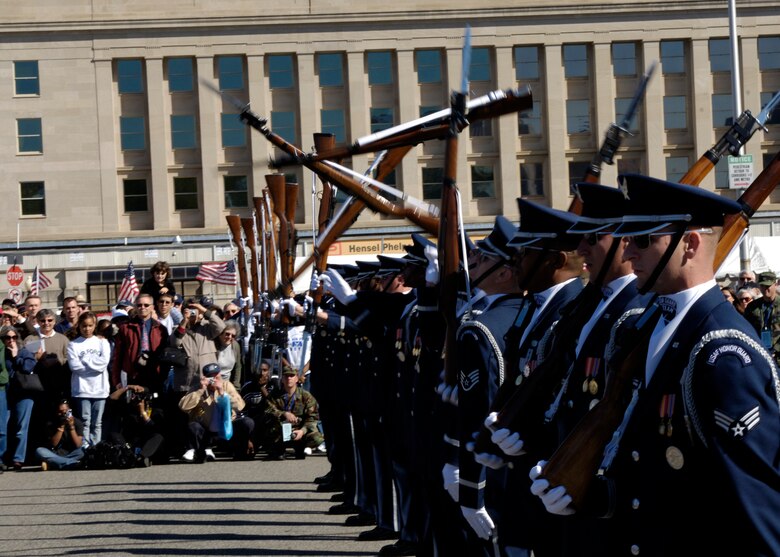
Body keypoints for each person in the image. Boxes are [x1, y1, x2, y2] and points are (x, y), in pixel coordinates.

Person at [529, 174, 780, 556]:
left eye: (642, 240)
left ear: (690, 244)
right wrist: (595, 495)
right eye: (627, 239)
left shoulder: (723, 353)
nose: (628, 253)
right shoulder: (644, 325)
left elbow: (756, 505)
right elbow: (650, 467)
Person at [178, 363, 254, 462]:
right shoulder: (198, 388)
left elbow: (240, 406)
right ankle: (199, 453)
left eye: (216, 377)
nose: (214, 380)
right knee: (193, 426)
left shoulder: (226, 385)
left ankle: (240, 452)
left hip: (226, 429)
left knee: (247, 422)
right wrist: (201, 391)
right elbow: (183, 406)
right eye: (211, 378)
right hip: (206, 432)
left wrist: (222, 392)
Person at [67, 311, 111, 447]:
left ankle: (96, 447)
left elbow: (103, 364)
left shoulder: (102, 342)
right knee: (85, 420)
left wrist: (85, 360)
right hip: (82, 389)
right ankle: (86, 448)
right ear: (79, 326)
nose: (87, 329)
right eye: (84, 326)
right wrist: (93, 364)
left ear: (95, 326)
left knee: (97, 422)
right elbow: (75, 367)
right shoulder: (73, 345)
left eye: (90, 326)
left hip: (100, 388)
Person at [110, 293, 169, 393]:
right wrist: (116, 380)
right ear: (135, 307)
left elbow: (165, 356)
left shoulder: (161, 329)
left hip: (154, 375)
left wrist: (163, 376)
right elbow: (117, 356)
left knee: (154, 407)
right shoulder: (125, 328)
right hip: (132, 376)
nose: (142, 307)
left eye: (146, 305)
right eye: (139, 305)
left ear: (152, 307)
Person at [265, 365, 324, 460]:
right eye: (286, 376)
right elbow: (267, 411)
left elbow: (312, 418)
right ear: (282, 379)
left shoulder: (306, 396)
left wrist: (302, 431)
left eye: (292, 376)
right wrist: (284, 413)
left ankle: (300, 447)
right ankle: (278, 449)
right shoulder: (274, 395)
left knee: (317, 438)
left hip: (299, 431)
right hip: (280, 430)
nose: (289, 378)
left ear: (297, 378)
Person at [2, 326, 38, 470]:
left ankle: (18, 458)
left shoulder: (24, 351)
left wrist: (16, 356)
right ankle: (4, 458)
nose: (11, 341)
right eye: (7, 338)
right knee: (3, 426)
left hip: (24, 393)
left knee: (21, 427)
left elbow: (28, 367)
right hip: (5, 393)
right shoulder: (1, 353)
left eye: (14, 337)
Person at [240, 359, 281, 456]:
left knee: (273, 416)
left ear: (270, 371)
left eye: (265, 370)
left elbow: (275, 406)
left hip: (269, 421)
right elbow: (242, 412)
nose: (262, 373)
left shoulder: (275, 385)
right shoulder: (247, 387)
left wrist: (262, 387)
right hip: (253, 424)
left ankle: (273, 445)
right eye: (259, 370)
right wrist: (248, 438)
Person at [35, 398, 85, 471]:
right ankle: (71, 464)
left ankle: (54, 463)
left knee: (83, 451)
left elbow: (78, 444)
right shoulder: (51, 423)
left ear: (69, 410)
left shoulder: (77, 422)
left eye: (65, 411)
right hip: (56, 453)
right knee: (39, 451)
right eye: (60, 412)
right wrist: (62, 426)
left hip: (72, 453)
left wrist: (71, 427)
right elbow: (53, 444)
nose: (63, 414)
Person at [744, 270, 780, 365]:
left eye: (768, 286)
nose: (765, 289)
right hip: (759, 354)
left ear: (775, 284)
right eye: (762, 286)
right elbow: (746, 329)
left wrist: (775, 350)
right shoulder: (752, 307)